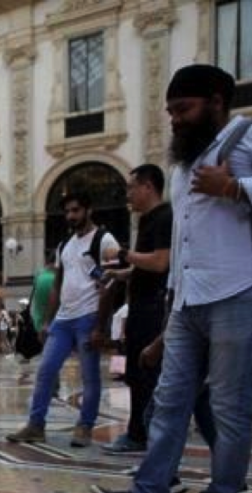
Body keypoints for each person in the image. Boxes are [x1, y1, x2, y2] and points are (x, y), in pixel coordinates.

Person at [91, 64, 252, 493]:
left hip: (240, 292)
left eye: (183, 109)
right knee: (168, 403)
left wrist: (234, 188)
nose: (175, 120)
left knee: (231, 407)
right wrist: (171, 316)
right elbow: (186, 245)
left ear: (216, 100)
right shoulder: (184, 164)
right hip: (188, 303)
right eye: (169, 111)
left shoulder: (251, 137)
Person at [6, 190, 119, 447]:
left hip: (89, 317)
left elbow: (111, 284)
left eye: (76, 210)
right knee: (46, 371)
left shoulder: (104, 239)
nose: (71, 216)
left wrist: (101, 326)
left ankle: (85, 426)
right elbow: (58, 284)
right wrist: (47, 320)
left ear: (88, 210)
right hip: (63, 319)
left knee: (89, 376)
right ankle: (36, 425)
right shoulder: (65, 245)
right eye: (67, 211)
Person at [99, 164, 172, 453]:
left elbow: (159, 262)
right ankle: (137, 431)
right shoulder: (147, 219)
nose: (127, 194)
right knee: (135, 372)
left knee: (146, 372)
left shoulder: (165, 217)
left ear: (148, 187)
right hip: (140, 304)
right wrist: (122, 274)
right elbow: (146, 266)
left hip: (153, 306)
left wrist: (122, 254)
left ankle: (144, 436)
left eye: (131, 188)